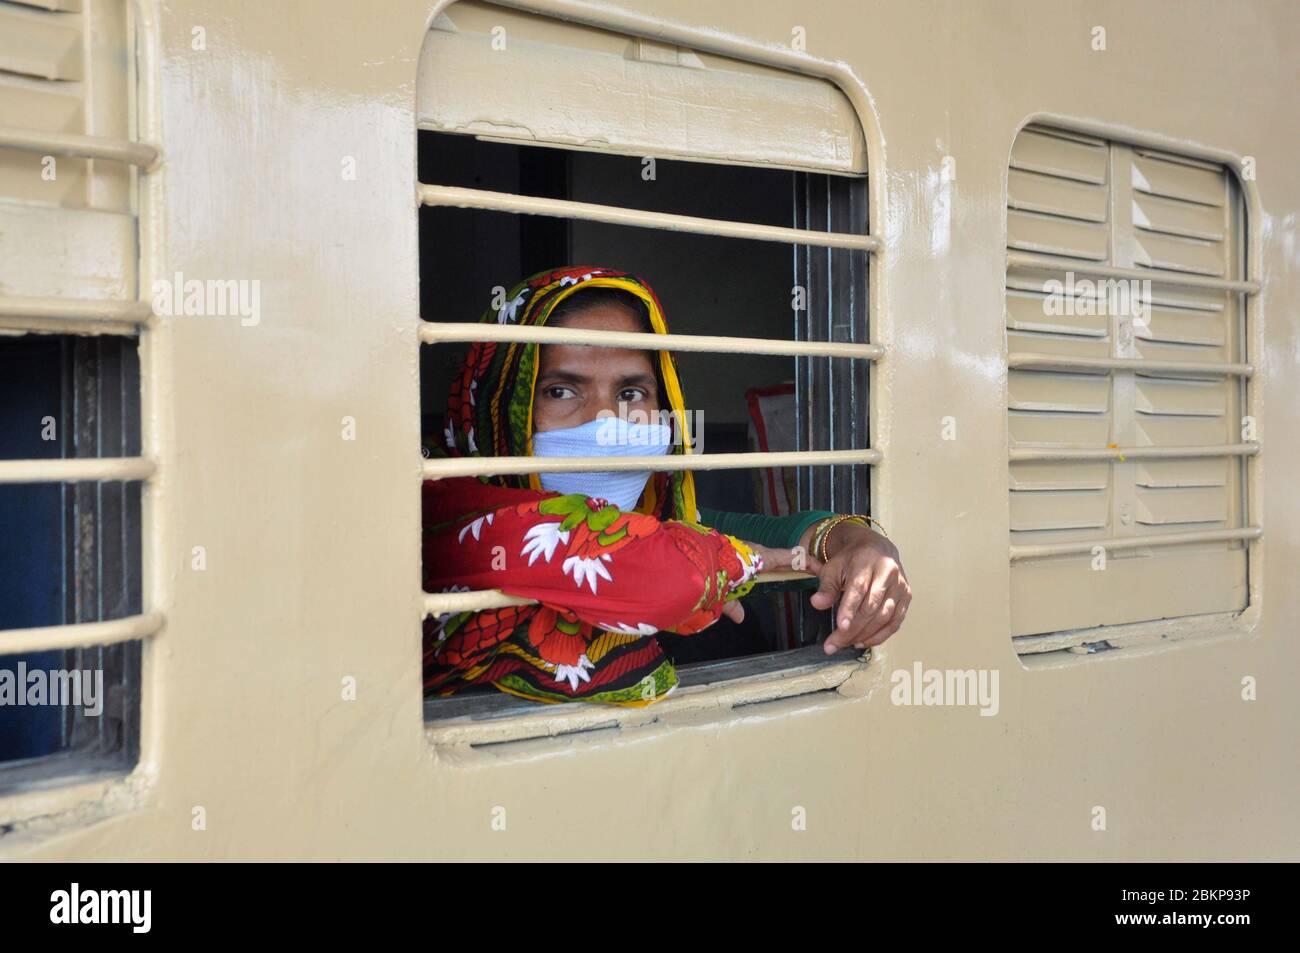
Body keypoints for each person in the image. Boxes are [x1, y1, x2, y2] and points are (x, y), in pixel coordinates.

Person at [423, 265, 910, 706]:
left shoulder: (669, 524)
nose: (606, 421)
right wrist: (727, 562)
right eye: (560, 390)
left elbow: (781, 537)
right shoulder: (441, 519)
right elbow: (673, 572)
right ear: (497, 405)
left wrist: (859, 543)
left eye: (631, 392)